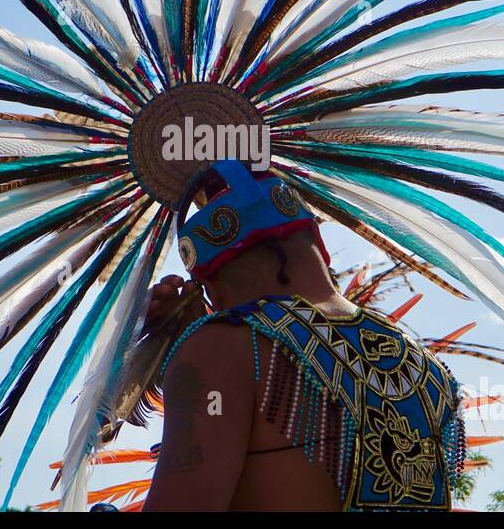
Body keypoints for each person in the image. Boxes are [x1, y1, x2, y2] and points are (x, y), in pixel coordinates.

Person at [142, 160, 463, 511]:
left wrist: (198, 346)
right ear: (317, 242)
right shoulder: (429, 369)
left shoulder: (223, 346)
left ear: (211, 286)